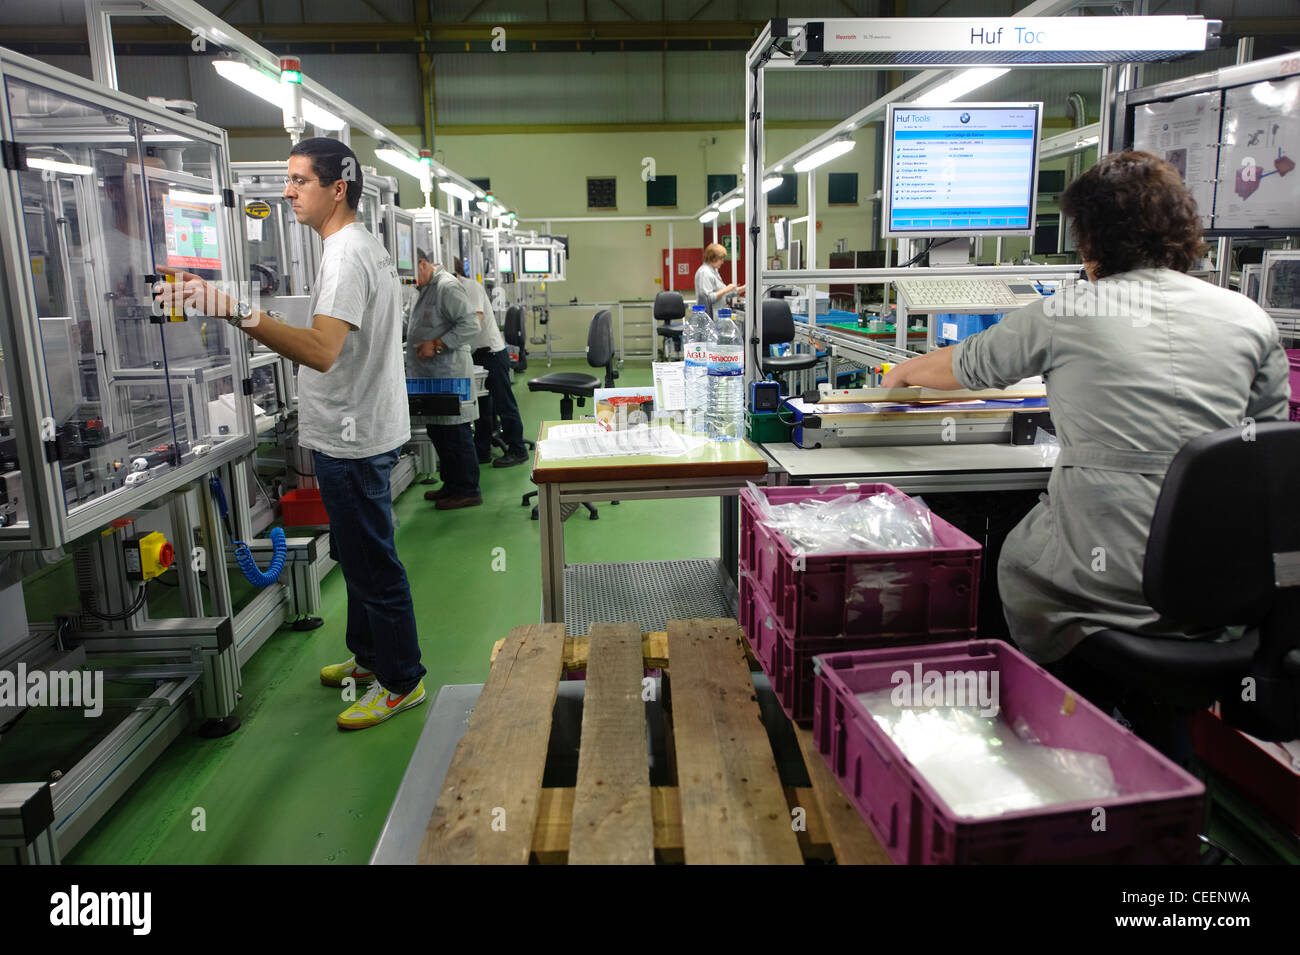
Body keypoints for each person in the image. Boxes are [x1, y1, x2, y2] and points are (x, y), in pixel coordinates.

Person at [881, 150, 1290, 668]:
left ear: (1091, 236)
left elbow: (970, 365)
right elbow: (1265, 445)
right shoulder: (1248, 316)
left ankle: (1005, 680)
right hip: (1216, 582)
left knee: (996, 533)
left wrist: (901, 374)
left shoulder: (1071, 309)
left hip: (1103, 581)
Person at [153, 137, 426, 731]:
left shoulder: (347, 254)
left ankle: (403, 680)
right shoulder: (354, 248)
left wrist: (237, 311)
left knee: (374, 564)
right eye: (289, 179)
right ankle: (372, 660)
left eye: (300, 180)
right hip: (353, 430)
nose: (287, 191)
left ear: (337, 188)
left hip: (354, 439)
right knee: (355, 558)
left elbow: (324, 352)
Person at [409, 250, 482, 509]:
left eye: (411, 272)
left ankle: (468, 490)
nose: (410, 280)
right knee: (438, 430)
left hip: (449, 374)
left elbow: (472, 325)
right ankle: (451, 484)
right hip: (432, 377)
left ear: (423, 263)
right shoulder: (426, 288)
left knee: (455, 432)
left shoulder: (446, 287)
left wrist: (438, 344)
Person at [453, 257, 528, 468]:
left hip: (492, 354)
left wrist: (447, 343)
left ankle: (518, 449)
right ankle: (482, 450)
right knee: (482, 408)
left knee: (504, 404)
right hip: (475, 354)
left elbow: (474, 324)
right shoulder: (449, 291)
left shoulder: (471, 288)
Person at [694, 242, 744, 315]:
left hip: (718, 315)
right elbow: (708, 299)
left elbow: (724, 294)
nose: (722, 262)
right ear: (713, 258)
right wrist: (726, 289)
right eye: (721, 259)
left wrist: (744, 288)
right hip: (711, 316)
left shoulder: (713, 272)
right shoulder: (704, 273)